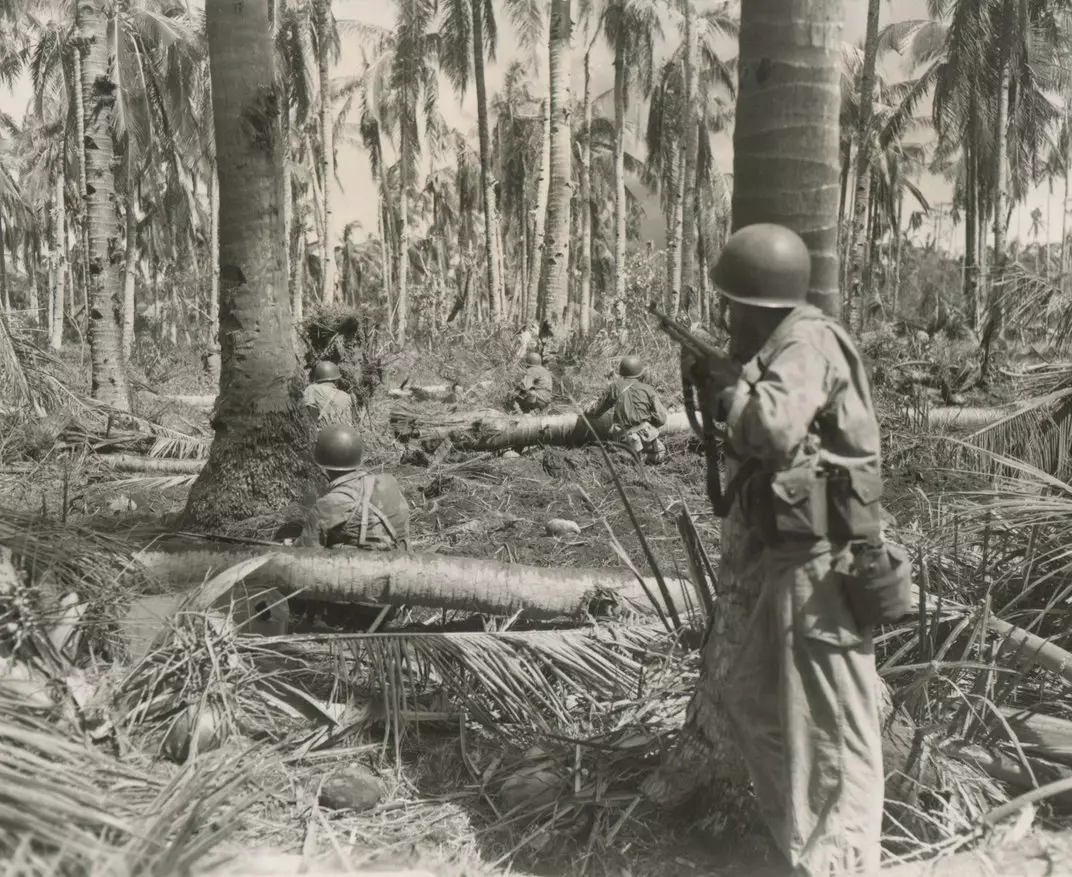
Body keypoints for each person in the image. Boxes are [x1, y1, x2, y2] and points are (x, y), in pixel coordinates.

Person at [687, 223, 886, 876]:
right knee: (747, 697)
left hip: (825, 560)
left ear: (756, 303)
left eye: (733, 304)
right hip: (793, 557)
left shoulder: (805, 340)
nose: (727, 316)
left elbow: (771, 427)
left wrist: (730, 392)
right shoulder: (785, 346)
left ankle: (842, 859)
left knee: (833, 725)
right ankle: (803, 847)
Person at [301, 424, 410, 551]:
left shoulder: (327, 505)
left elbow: (304, 555)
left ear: (322, 466)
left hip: (365, 567)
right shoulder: (388, 481)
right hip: (405, 561)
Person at [584, 356, 668, 464]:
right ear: (640, 372)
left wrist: (586, 409)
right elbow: (661, 419)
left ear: (621, 372)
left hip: (624, 439)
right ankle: (642, 458)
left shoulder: (614, 387)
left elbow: (595, 412)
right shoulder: (648, 390)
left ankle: (629, 458)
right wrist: (648, 422)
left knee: (618, 452)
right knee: (660, 453)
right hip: (646, 437)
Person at [301, 361, 353, 425]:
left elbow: (311, 414)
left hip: (324, 432)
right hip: (345, 433)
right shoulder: (346, 396)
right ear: (336, 379)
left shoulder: (312, 389)